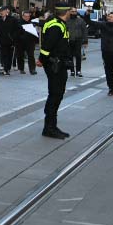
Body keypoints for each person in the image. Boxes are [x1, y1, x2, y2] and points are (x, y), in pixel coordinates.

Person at [39, 8, 74, 139]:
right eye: (70, 11)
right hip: (55, 64)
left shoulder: (57, 23)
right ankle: (49, 127)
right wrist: (41, 60)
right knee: (55, 94)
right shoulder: (56, 26)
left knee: (57, 94)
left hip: (57, 63)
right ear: (66, 12)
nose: (71, 13)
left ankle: (52, 125)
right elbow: (47, 46)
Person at [68, 9, 88, 77]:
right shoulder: (67, 20)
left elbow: (84, 30)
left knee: (78, 56)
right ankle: (72, 71)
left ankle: (78, 71)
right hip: (69, 40)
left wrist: (85, 41)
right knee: (70, 56)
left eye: (75, 11)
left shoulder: (80, 20)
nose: (74, 13)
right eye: (72, 11)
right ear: (69, 12)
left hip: (78, 40)